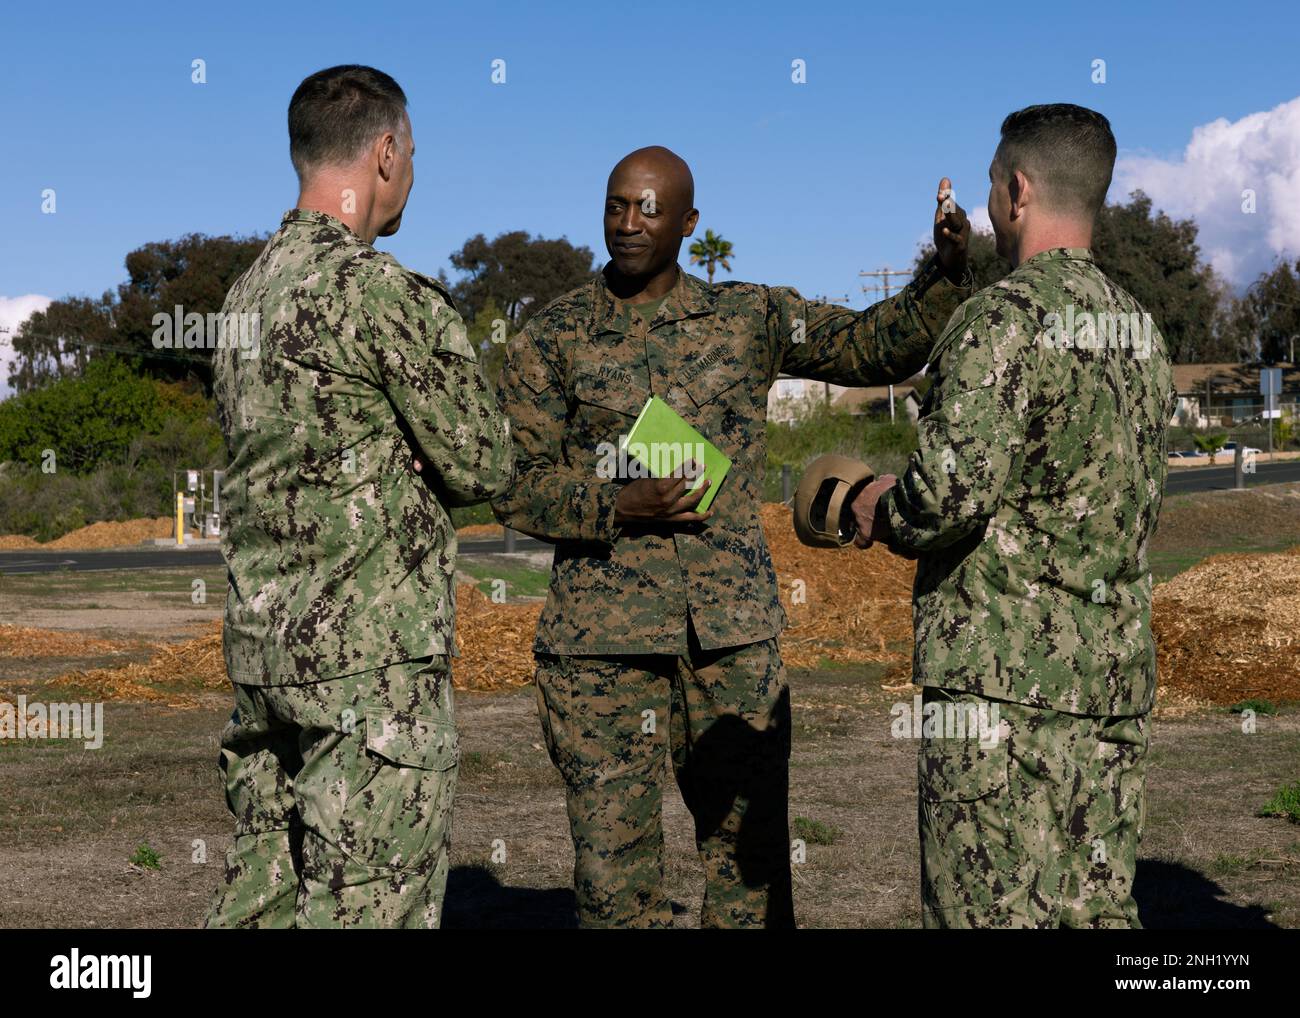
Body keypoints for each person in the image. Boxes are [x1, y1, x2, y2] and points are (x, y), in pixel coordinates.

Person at [492, 145, 972, 927]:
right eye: (616, 205)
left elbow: (873, 345)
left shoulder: (750, 316)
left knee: (750, 873)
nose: (628, 222)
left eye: (649, 208)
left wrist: (943, 272)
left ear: (689, 223)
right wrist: (618, 503)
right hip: (602, 653)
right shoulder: (553, 337)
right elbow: (512, 482)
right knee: (613, 884)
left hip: (732, 643)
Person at [851, 103, 1175, 928]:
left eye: (993, 186)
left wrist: (871, 504)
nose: (991, 205)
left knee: (987, 913)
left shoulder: (1002, 319)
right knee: (1096, 912)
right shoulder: (1141, 333)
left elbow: (943, 498)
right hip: (1111, 685)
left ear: (1018, 190)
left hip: (1000, 691)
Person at [205, 65, 513, 928]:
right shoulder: (378, 292)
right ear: (384, 153)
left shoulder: (244, 297)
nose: (411, 171)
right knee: (371, 908)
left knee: (262, 899)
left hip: (264, 660)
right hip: (368, 674)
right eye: (410, 153)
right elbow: (484, 463)